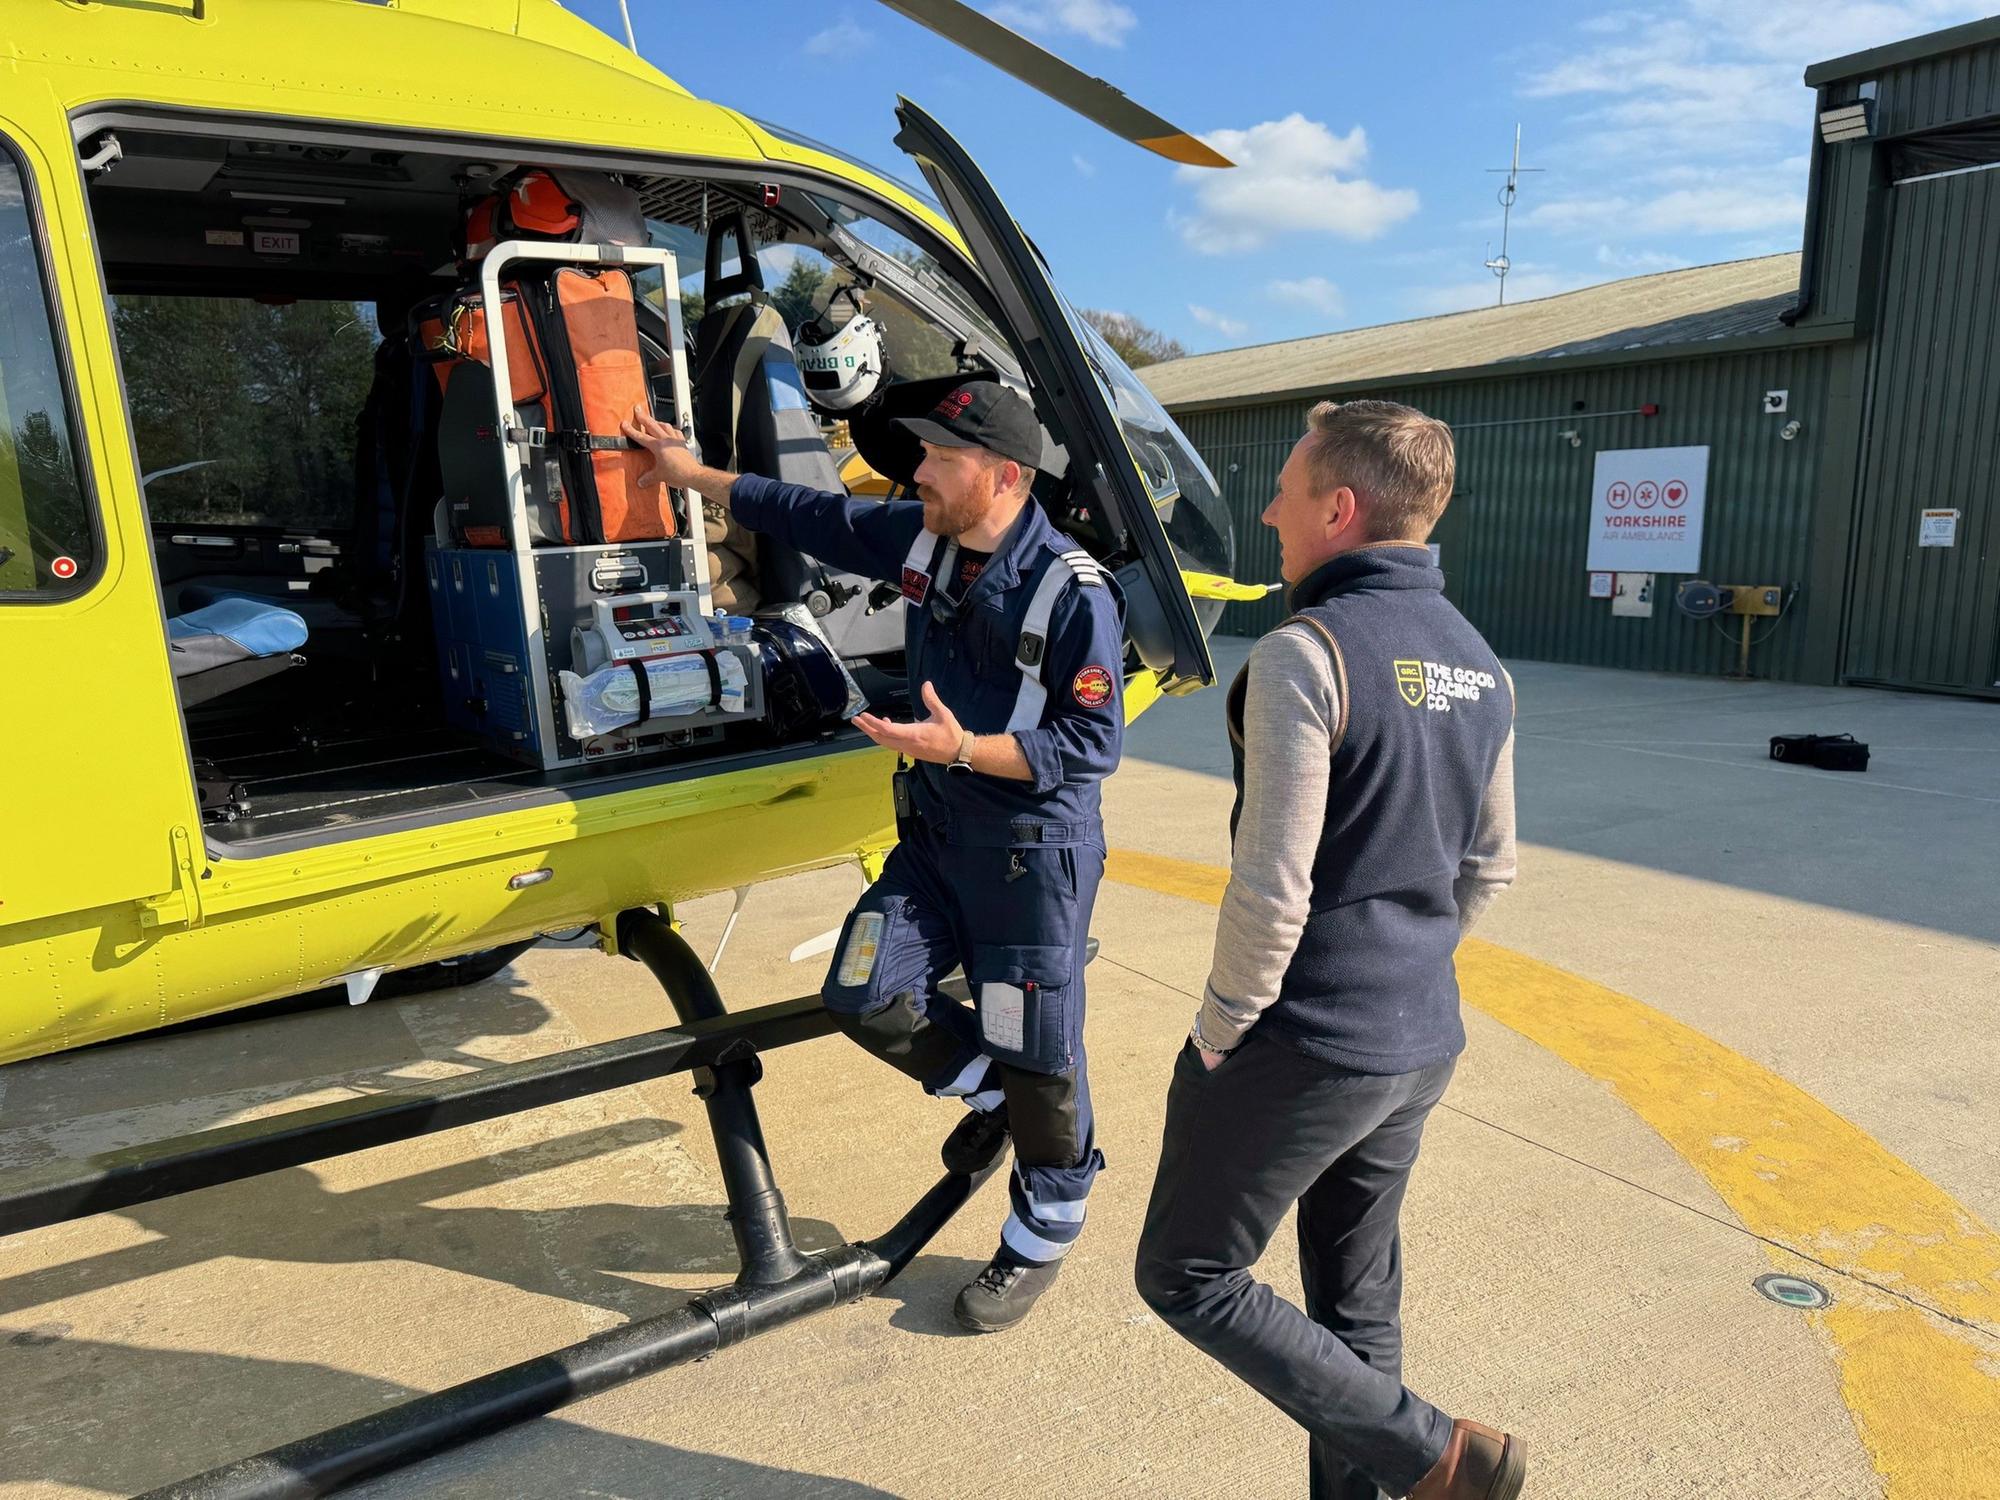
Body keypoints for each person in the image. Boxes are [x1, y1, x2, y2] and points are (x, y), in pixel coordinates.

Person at [623, 382, 1124, 1332]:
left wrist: (964, 749)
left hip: (1030, 856)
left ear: (1004, 477)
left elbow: (1091, 747)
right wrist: (693, 476)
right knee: (862, 988)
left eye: (940, 458)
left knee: (1041, 1052)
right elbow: (810, 512)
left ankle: (1044, 1228)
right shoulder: (925, 540)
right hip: (935, 841)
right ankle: (997, 1099)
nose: (918, 471)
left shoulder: (1074, 593)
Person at [1133, 400, 1522, 1500]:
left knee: (1187, 1272)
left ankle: (1437, 1454)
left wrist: (1217, 1036)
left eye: (1287, 489)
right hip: (1418, 1039)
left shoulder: (1308, 654)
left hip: (1304, 1041)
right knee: (1354, 1308)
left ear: (1338, 510)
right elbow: (1488, 866)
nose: (1266, 512)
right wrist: (1404, 969)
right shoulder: (1481, 664)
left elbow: (1271, 889)